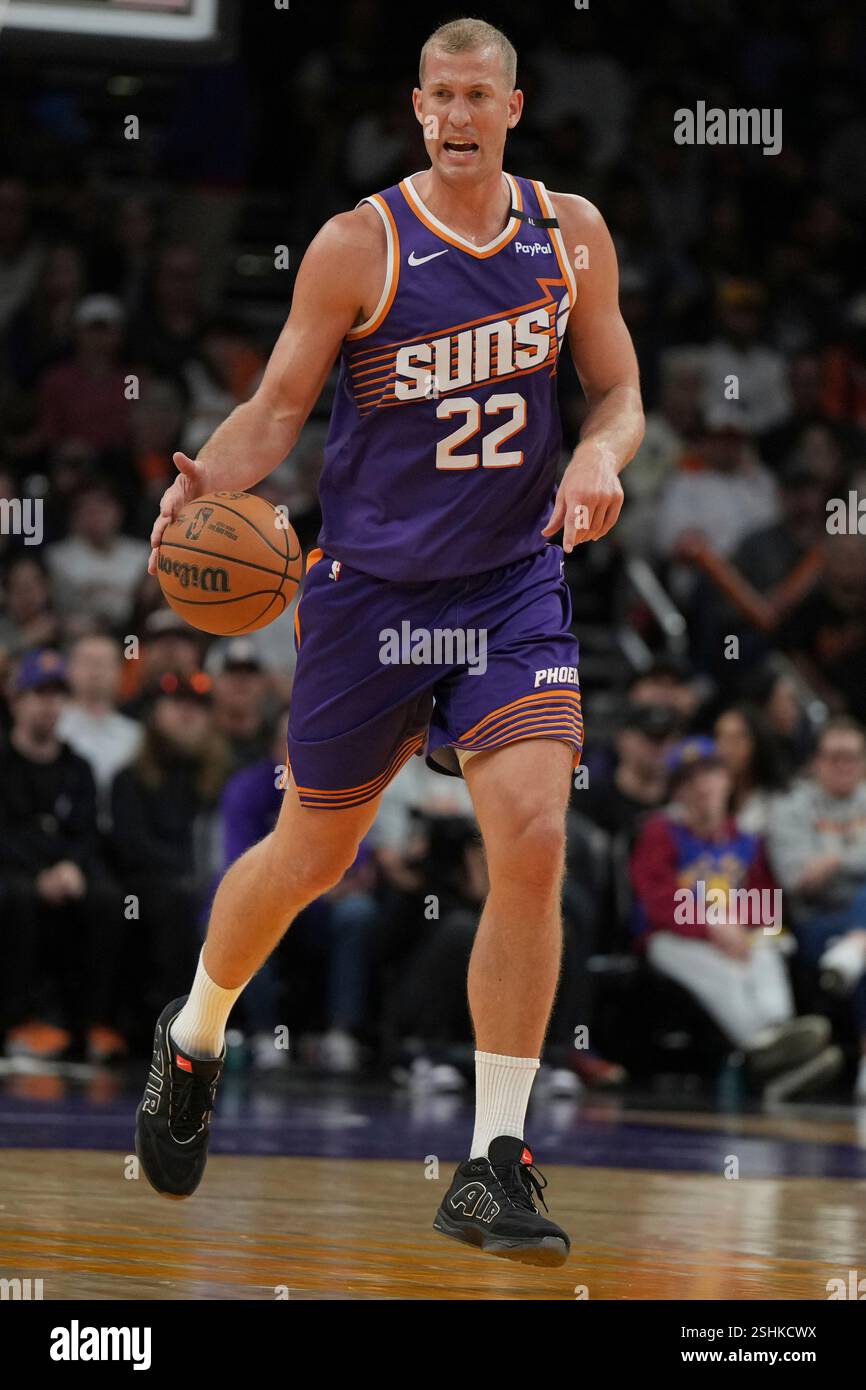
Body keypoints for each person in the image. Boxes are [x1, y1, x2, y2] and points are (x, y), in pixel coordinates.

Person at [135, 17, 644, 1268]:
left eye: (481, 95)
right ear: (416, 109)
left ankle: (492, 1158)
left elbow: (620, 391)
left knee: (531, 835)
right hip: (368, 597)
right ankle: (195, 1033)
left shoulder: (568, 233)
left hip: (510, 586)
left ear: (513, 108)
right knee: (312, 852)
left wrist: (594, 452)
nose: (460, 113)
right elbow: (275, 408)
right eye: (441, 96)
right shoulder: (359, 243)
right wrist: (206, 486)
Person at [630, 738, 842, 1101]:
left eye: (710, 775)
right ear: (677, 791)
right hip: (675, 938)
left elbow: (767, 905)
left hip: (738, 935)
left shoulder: (747, 840)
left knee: (769, 941)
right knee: (718, 968)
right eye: (688, 780)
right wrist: (711, 925)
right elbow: (655, 903)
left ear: (727, 781)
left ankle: (778, 1043)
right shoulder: (661, 833)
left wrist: (738, 927)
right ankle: (766, 1045)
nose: (702, 787)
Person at [0, 650, 125, 1062]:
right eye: (38, 693)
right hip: (15, 874)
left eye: (56, 695)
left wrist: (72, 866)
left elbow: (87, 833)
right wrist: (39, 874)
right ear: (16, 699)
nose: (48, 705)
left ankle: (87, 1023)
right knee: (15, 897)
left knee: (108, 899)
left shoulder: (78, 767)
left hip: (62, 871)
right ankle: (19, 1019)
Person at [767, 718, 866, 1099]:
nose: (845, 766)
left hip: (847, 925)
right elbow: (798, 879)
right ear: (816, 762)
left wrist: (833, 862)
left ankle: (856, 947)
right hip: (814, 921)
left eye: (853, 757)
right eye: (835, 757)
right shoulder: (791, 806)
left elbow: (820, 868)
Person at [58, 633, 143, 811]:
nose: (95, 671)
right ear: (69, 670)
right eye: (87, 662)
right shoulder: (52, 727)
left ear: (120, 673)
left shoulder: (137, 736)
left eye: (104, 663)